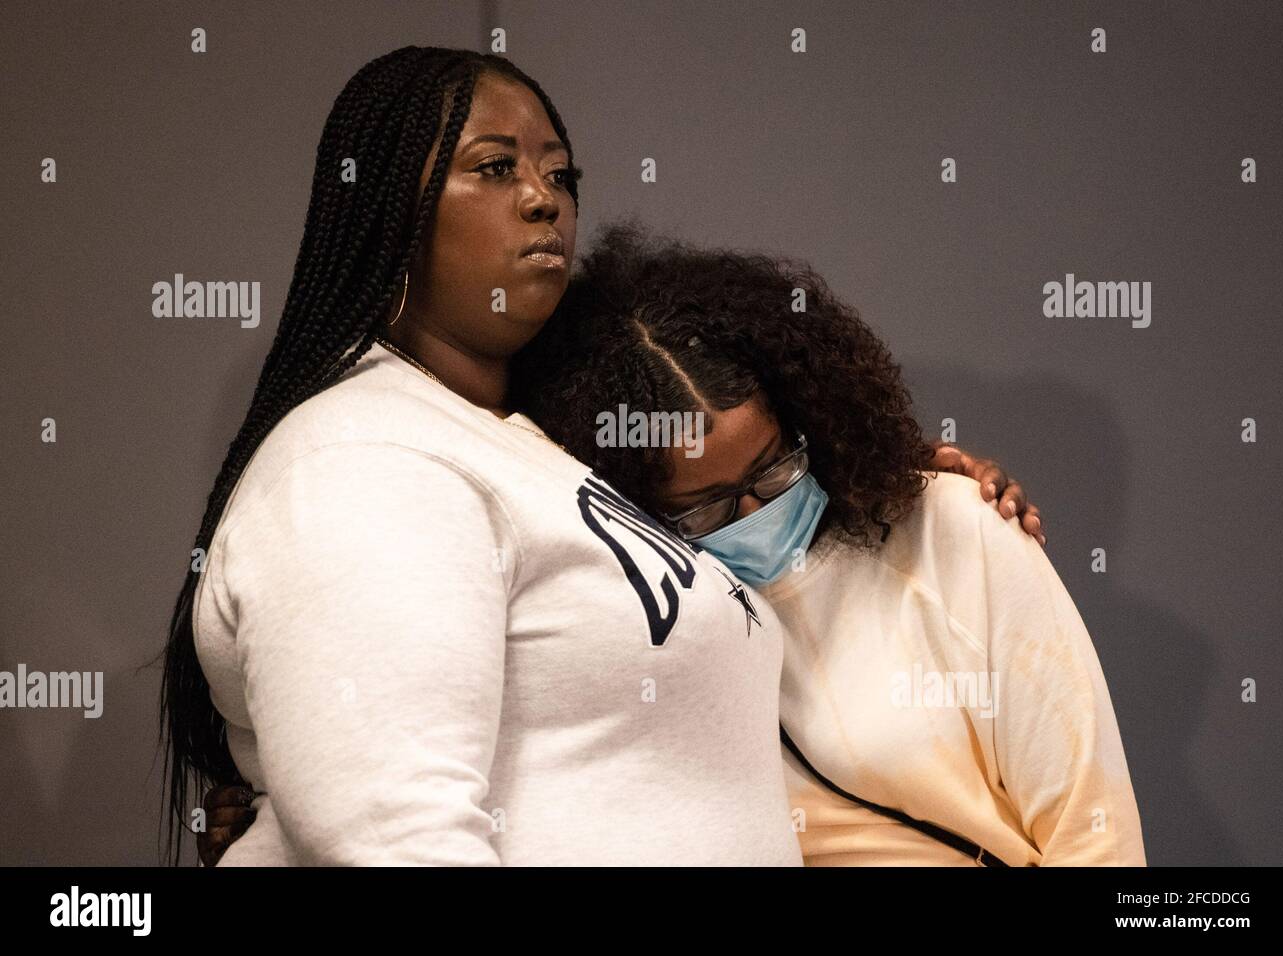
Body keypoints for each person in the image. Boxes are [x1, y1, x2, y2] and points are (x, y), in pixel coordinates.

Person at [177, 51, 1044, 867]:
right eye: (494, 167)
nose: (542, 199)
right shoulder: (364, 460)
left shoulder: (528, 448)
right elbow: (399, 839)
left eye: (559, 175)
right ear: (385, 208)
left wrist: (891, 481)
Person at [513, 222, 1147, 865]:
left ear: (808, 417)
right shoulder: (645, 627)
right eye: (706, 507)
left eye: (773, 468)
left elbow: (1094, 832)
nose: (757, 511)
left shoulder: (956, 528)